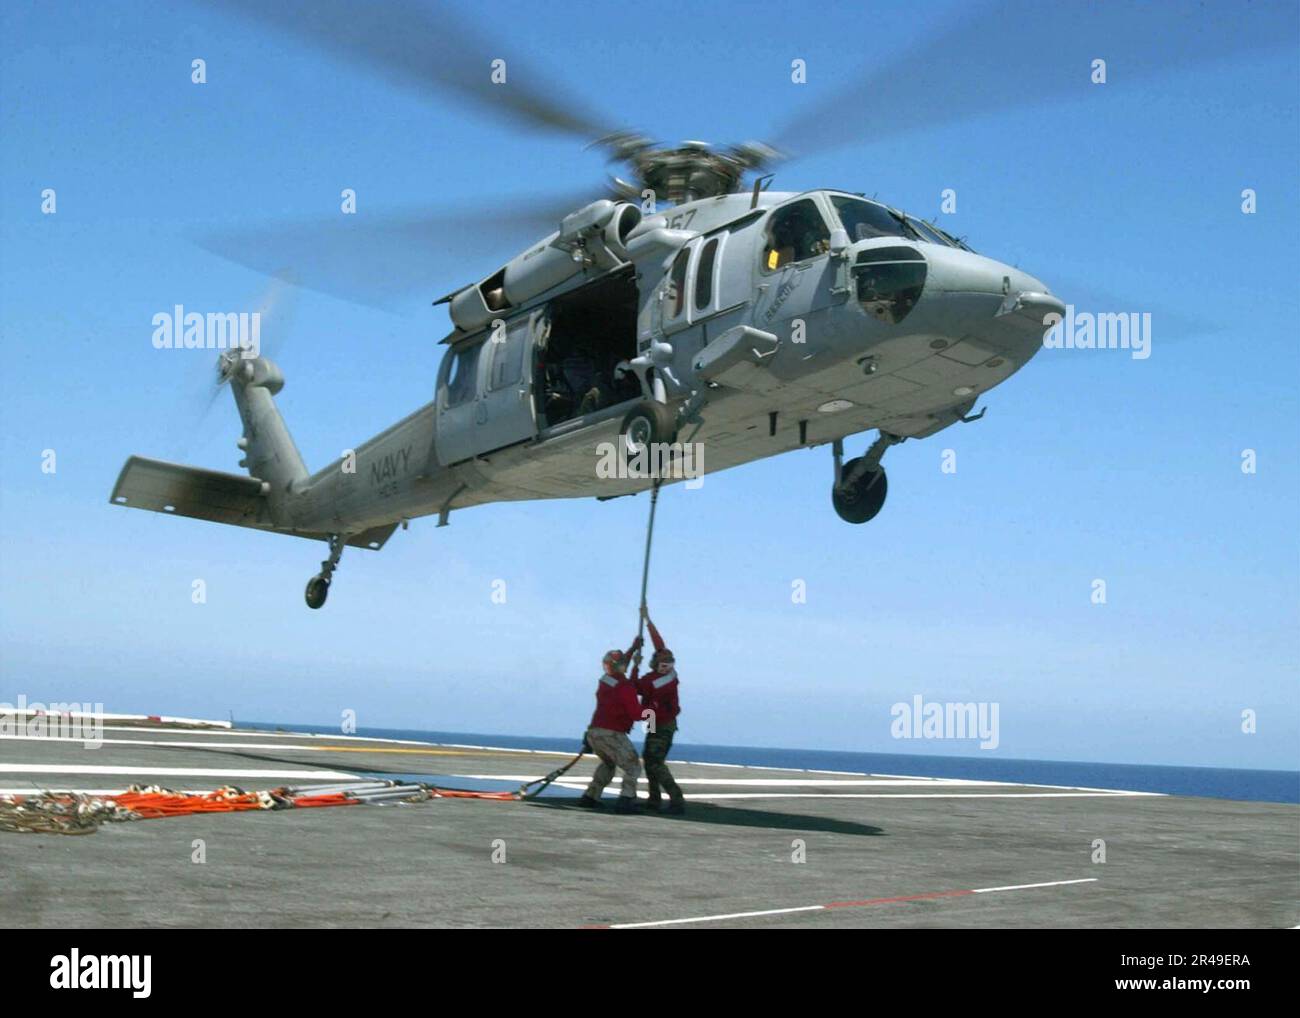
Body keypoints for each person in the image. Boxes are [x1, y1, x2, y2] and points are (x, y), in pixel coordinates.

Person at [577, 635, 646, 813]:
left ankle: (590, 797)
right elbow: (637, 714)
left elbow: (620, 666)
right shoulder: (626, 687)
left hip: (594, 733)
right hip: (611, 734)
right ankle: (626, 800)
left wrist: (633, 649)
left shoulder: (605, 681)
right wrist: (651, 711)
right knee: (633, 766)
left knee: (608, 764)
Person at [633, 606, 684, 814]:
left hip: (662, 722)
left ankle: (675, 796)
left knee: (654, 762)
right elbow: (659, 643)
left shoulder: (657, 681)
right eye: (663, 663)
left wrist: (635, 665)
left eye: (668, 663)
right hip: (652, 718)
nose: (666, 666)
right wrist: (648, 621)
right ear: (656, 663)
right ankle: (654, 799)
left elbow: (634, 686)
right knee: (650, 759)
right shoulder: (665, 676)